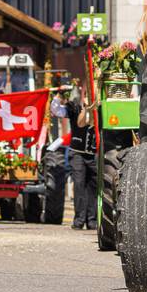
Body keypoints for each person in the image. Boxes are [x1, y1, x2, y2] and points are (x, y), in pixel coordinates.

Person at [65, 87, 96, 230]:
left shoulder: (99, 108)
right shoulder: (76, 107)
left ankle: (92, 220)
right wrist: (87, 109)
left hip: (93, 153)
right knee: (79, 185)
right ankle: (79, 220)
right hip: (77, 152)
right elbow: (80, 123)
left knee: (93, 186)